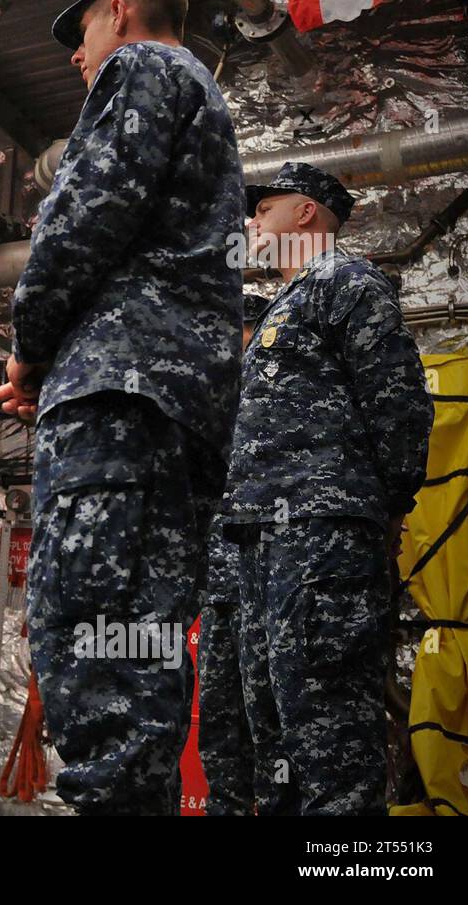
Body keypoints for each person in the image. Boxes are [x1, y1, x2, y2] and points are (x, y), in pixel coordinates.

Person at [0, 0, 244, 814]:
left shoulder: (140, 67)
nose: (75, 55)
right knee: (143, 651)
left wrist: (28, 348)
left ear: (123, 11)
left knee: (91, 645)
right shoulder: (202, 94)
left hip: (119, 404)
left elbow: (83, 214)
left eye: (84, 27)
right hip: (173, 411)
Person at [225, 161, 434, 815]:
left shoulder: (343, 282)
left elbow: (398, 403)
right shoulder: (281, 307)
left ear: (306, 211)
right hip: (266, 537)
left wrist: (385, 509)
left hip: (323, 533)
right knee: (277, 739)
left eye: (265, 206)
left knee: (330, 732)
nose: (253, 219)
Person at [196, 294, 268, 815]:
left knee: (282, 730)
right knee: (221, 736)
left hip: (274, 591)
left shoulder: (283, 413)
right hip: (220, 595)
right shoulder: (212, 413)